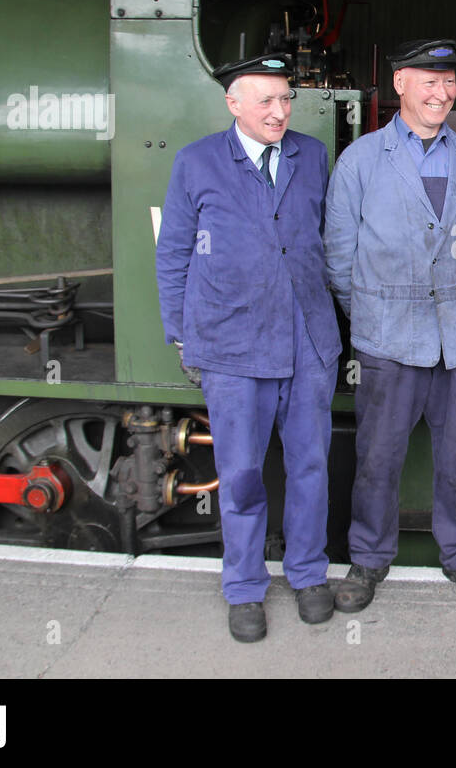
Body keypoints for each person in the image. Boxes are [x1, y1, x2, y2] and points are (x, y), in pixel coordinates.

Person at [155, 53, 342, 641]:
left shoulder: (312, 156)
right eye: (265, 100)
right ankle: (243, 587)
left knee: (310, 465)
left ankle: (309, 575)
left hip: (308, 341)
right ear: (233, 103)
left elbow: (327, 241)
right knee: (239, 474)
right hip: (233, 346)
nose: (280, 111)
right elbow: (174, 254)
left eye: (286, 99)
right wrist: (183, 333)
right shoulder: (197, 162)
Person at [324, 38, 456, 612]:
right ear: (399, 83)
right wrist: (374, 315)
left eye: (448, 81)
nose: (442, 92)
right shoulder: (361, 159)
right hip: (388, 340)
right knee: (378, 458)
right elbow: (338, 254)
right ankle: (368, 560)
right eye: (428, 80)